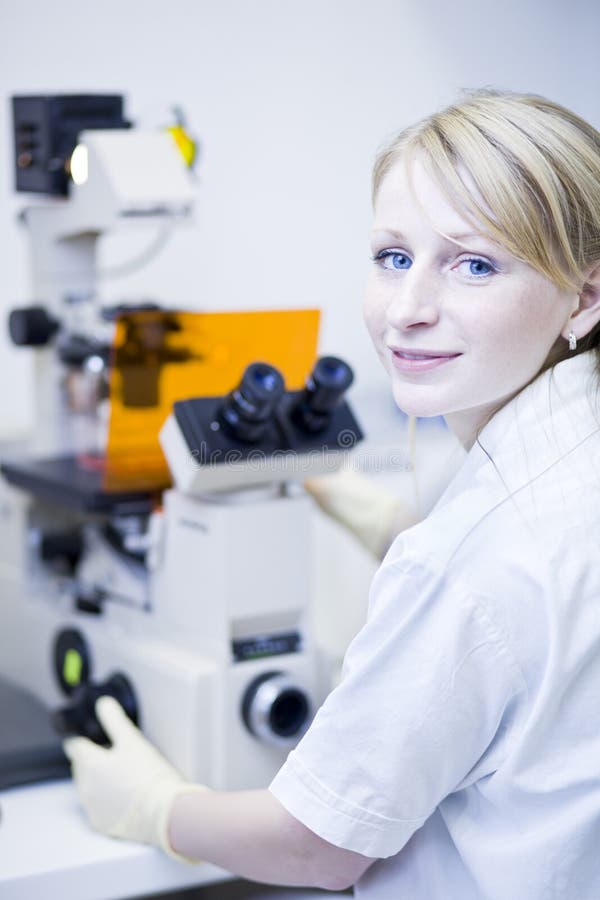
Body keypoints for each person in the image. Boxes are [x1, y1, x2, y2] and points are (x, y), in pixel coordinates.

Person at [64, 89, 600, 898]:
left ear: (585, 296)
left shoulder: (468, 561)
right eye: (393, 257)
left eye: (475, 264)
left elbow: (319, 848)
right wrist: (388, 522)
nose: (407, 310)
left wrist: (157, 809)